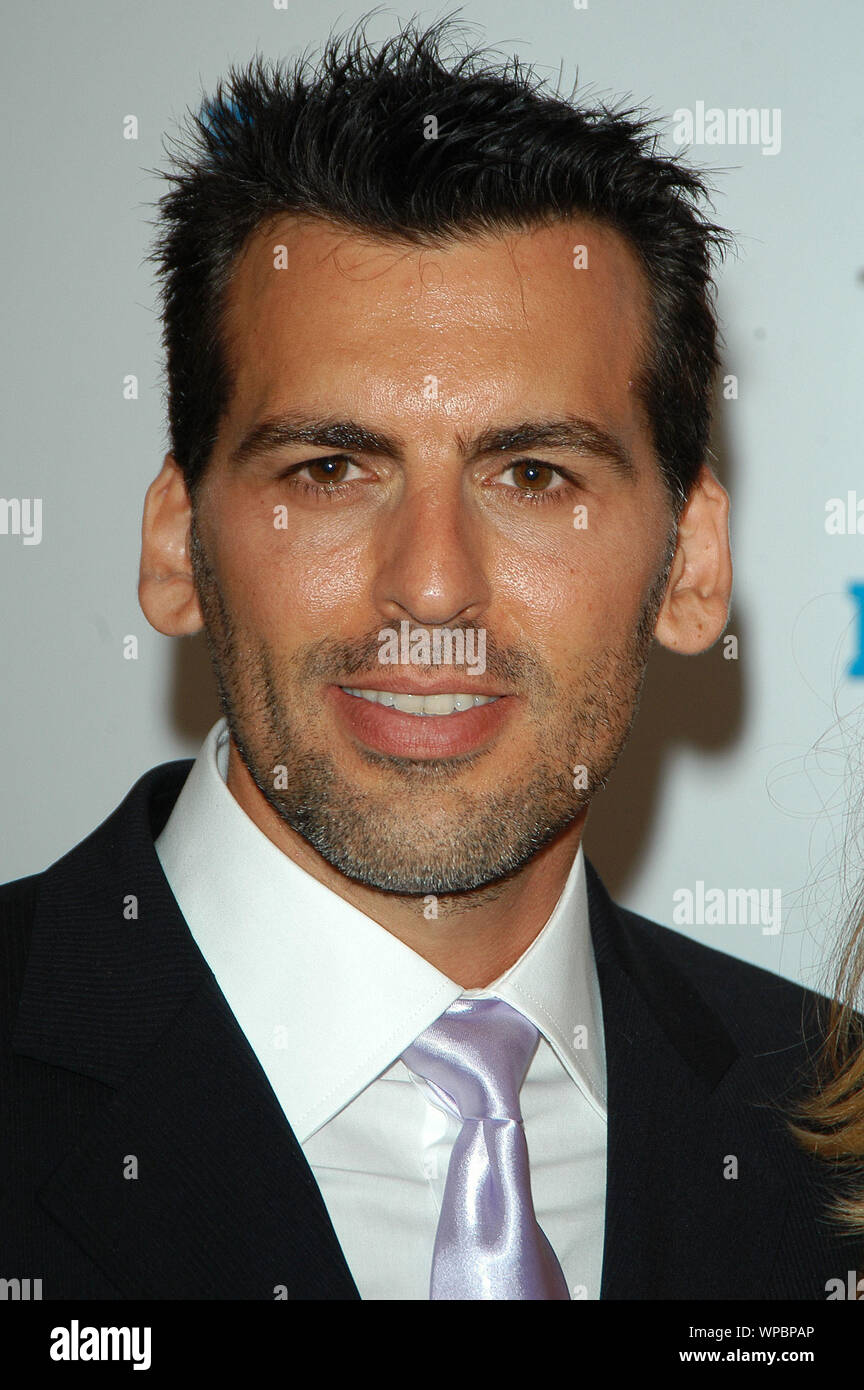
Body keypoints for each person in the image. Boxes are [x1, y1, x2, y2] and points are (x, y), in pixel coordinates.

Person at [0, 18, 854, 1300]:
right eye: (331, 470)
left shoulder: (833, 1135)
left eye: (533, 473)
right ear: (178, 544)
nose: (434, 587)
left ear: (691, 566)